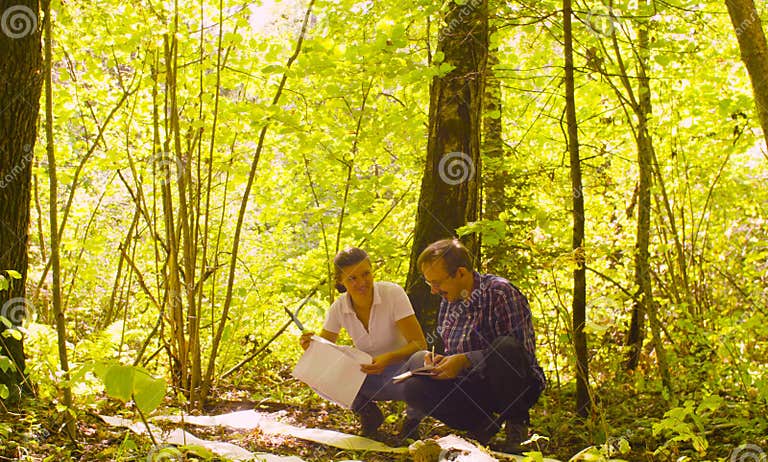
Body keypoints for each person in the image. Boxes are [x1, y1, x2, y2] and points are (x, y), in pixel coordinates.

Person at [400, 238, 546, 453]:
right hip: (472, 387)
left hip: (512, 385)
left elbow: (521, 354)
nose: (433, 290)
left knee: (505, 346)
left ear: (460, 273)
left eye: (437, 282)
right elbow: (452, 353)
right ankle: (482, 427)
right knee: (413, 383)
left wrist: (466, 360)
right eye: (429, 283)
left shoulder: (500, 292)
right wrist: (441, 362)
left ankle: (516, 429)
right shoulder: (448, 301)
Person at [299, 247, 428, 438]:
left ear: (372, 270)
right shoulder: (339, 307)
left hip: (402, 374)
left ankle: (412, 422)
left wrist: (389, 358)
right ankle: (367, 412)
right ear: (341, 282)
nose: (362, 282)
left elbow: (419, 344)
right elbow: (323, 350)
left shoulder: (392, 294)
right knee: (316, 371)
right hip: (367, 376)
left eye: (366, 274)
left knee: (422, 359)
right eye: (352, 278)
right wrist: (310, 346)